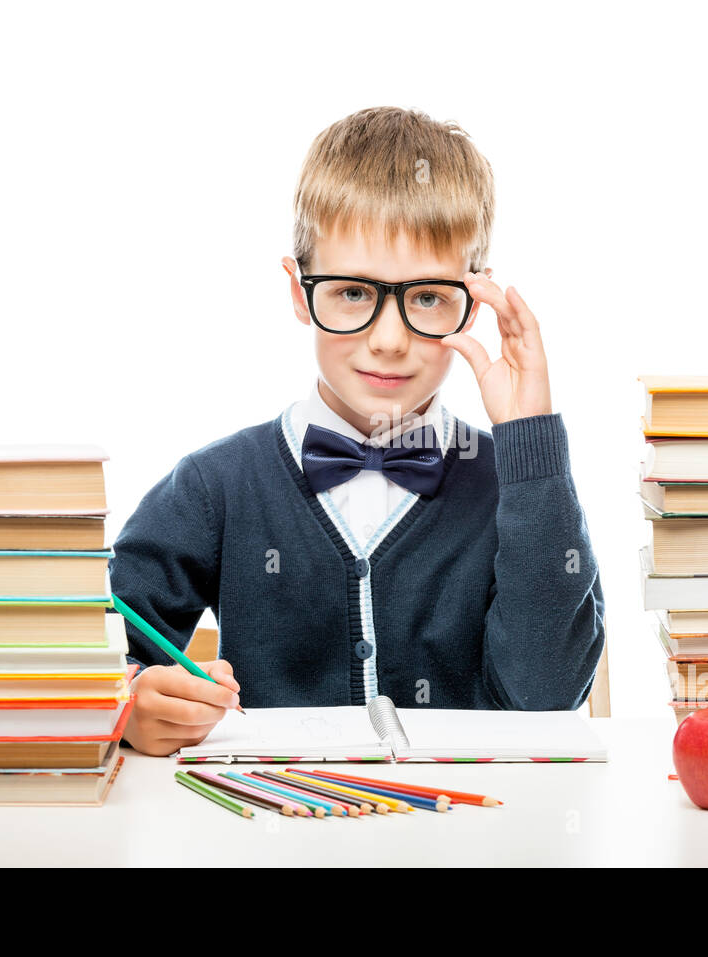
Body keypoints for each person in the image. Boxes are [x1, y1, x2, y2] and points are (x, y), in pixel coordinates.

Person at [111, 106, 605, 756]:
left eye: (427, 297)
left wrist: (530, 442)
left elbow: (546, 700)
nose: (390, 339)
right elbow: (88, 644)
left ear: (476, 296)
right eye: (351, 293)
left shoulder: (511, 485)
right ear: (298, 290)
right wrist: (127, 702)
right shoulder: (216, 485)